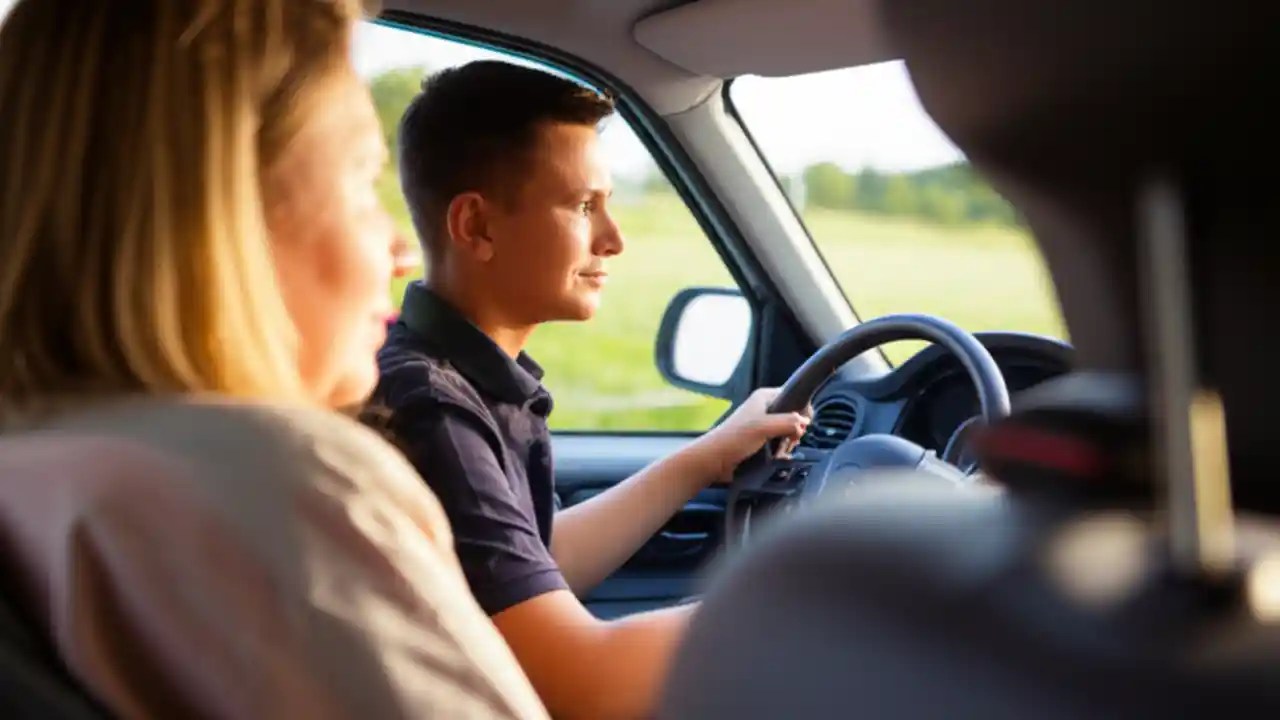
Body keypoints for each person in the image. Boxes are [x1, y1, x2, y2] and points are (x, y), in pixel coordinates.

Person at [0, 1, 548, 717]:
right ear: (223, 210)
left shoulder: (41, 464)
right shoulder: (279, 480)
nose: (402, 250)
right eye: (360, 182)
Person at [372, 60, 811, 719]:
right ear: (476, 227)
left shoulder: (459, 376)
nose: (615, 239)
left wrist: (705, 457)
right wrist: (830, 593)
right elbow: (581, 686)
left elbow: (531, 564)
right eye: (584, 206)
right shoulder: (430, 407)